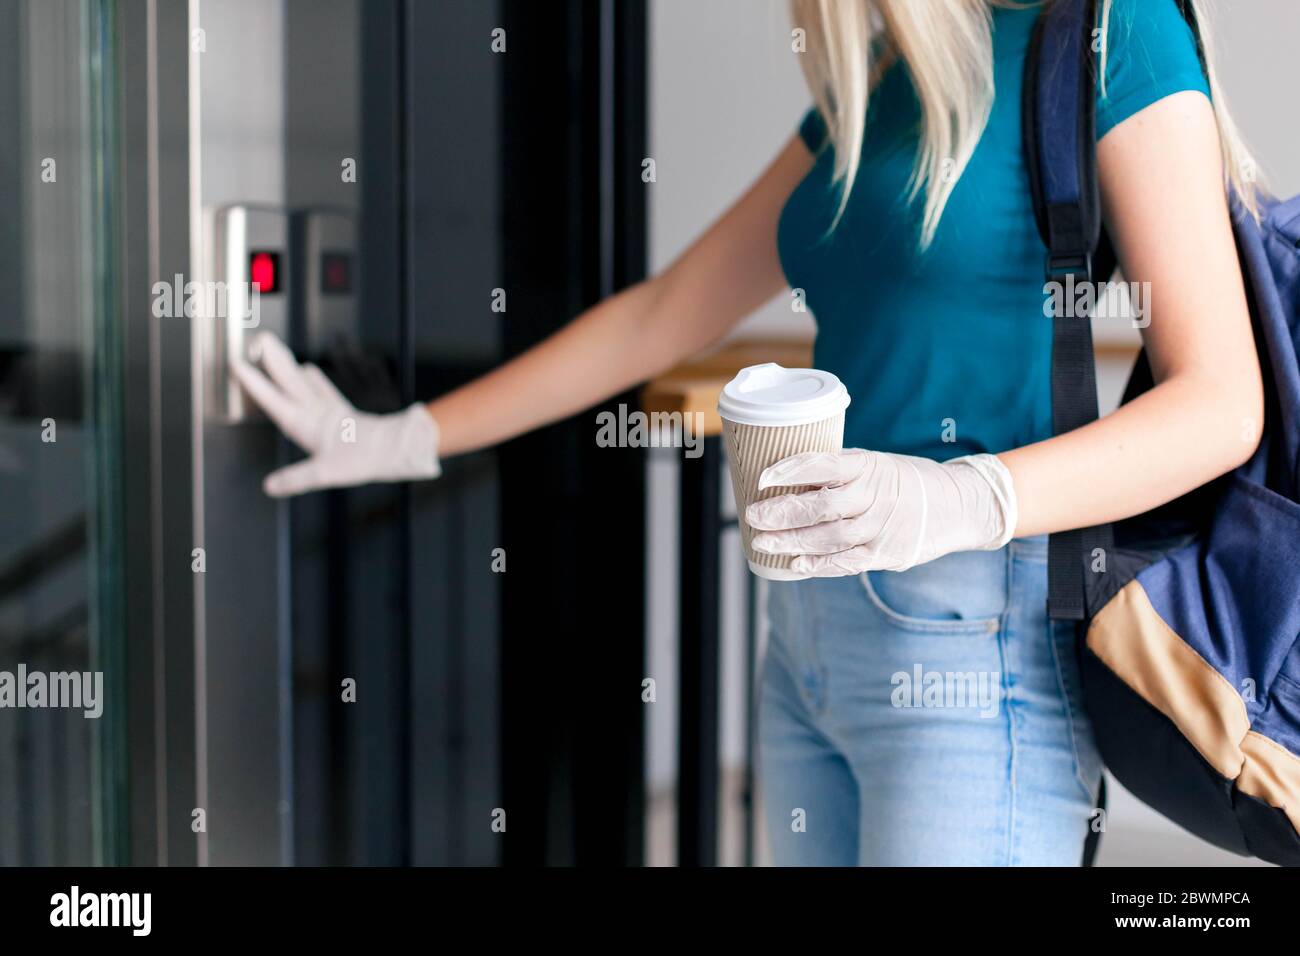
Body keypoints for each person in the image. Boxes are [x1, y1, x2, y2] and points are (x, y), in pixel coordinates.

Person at [234, 0, 1263, 865]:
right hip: (808, 637)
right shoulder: (888, 65)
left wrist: (962, 493)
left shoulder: (1111, 31)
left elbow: (1220, 399)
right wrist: (406, 433)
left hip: (974, 646)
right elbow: (665, 311)